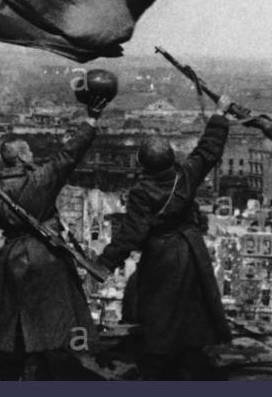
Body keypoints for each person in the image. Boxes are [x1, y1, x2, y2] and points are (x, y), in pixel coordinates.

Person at [0, 72, 114, 380]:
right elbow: (69, 155)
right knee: (52, 314)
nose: (33, 154)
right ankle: (43, 364)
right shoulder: (41, 180)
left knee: (15, 316)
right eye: (29, 151)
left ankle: (20, 362)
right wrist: (91, 120)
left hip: (11, 257)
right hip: (46, 253)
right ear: (21, 157)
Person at [96, 98, 236, 380]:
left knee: (161, 310)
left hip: (162, 255)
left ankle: (158, 364)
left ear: (144, 164)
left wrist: (104, 262)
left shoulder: (141, 192)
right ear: (171, 158)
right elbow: (208, 150)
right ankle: (190, 361)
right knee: (191, 306)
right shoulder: (186, 175)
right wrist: (220, 115)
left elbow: (132, 234)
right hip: (191, 248)